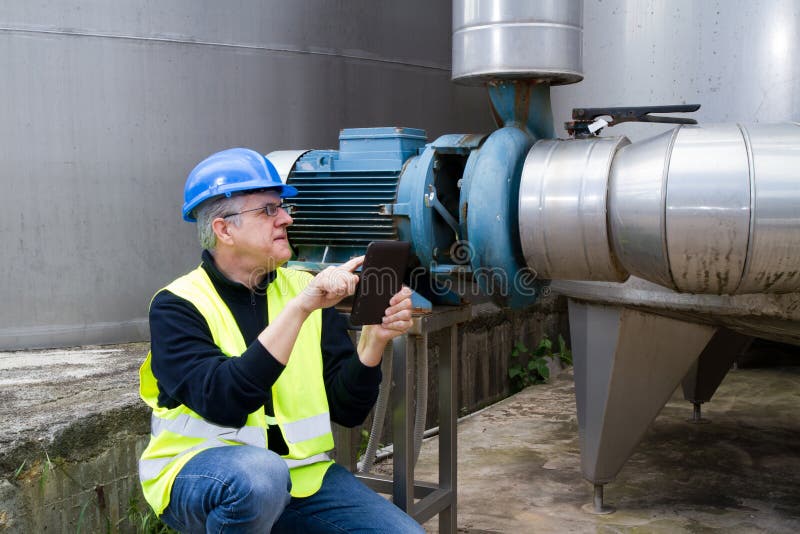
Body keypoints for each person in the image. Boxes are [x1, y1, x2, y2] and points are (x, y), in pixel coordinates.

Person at [138, 148, 424, 533]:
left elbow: (347, 409)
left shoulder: (304, 288)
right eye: (269, 210)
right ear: (224, 229)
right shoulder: (177, 305)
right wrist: (300, 309)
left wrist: (373, 343)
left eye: (283, 207)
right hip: (200, 474)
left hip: (303, 477)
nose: (287, 218)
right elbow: (225, 401)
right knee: (259, 478)